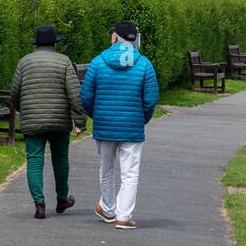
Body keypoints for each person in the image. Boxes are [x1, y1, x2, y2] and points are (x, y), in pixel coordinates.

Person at [81, 20, 160, 230]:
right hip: (132, 127)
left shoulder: (98, 62)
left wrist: (95, 115)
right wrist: (142, 118)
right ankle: (123, 216)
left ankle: (107, 208)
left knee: (106, 168)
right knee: (130, 173)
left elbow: (86, 96)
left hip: (105, 125)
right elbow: (151, 99)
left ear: (115, 38)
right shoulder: (144, 64)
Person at [10, 25, 87, 220]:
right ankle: (62, 199)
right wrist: (80, 121)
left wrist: (25, 110)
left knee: (34, 161)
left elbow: (15, 94)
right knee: (60, 160)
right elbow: (75, 94)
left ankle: (39, 205)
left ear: (36, 43)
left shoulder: (24, 62)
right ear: (54, 43)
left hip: (32, 121)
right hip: (59, 121)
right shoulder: (64, 62)